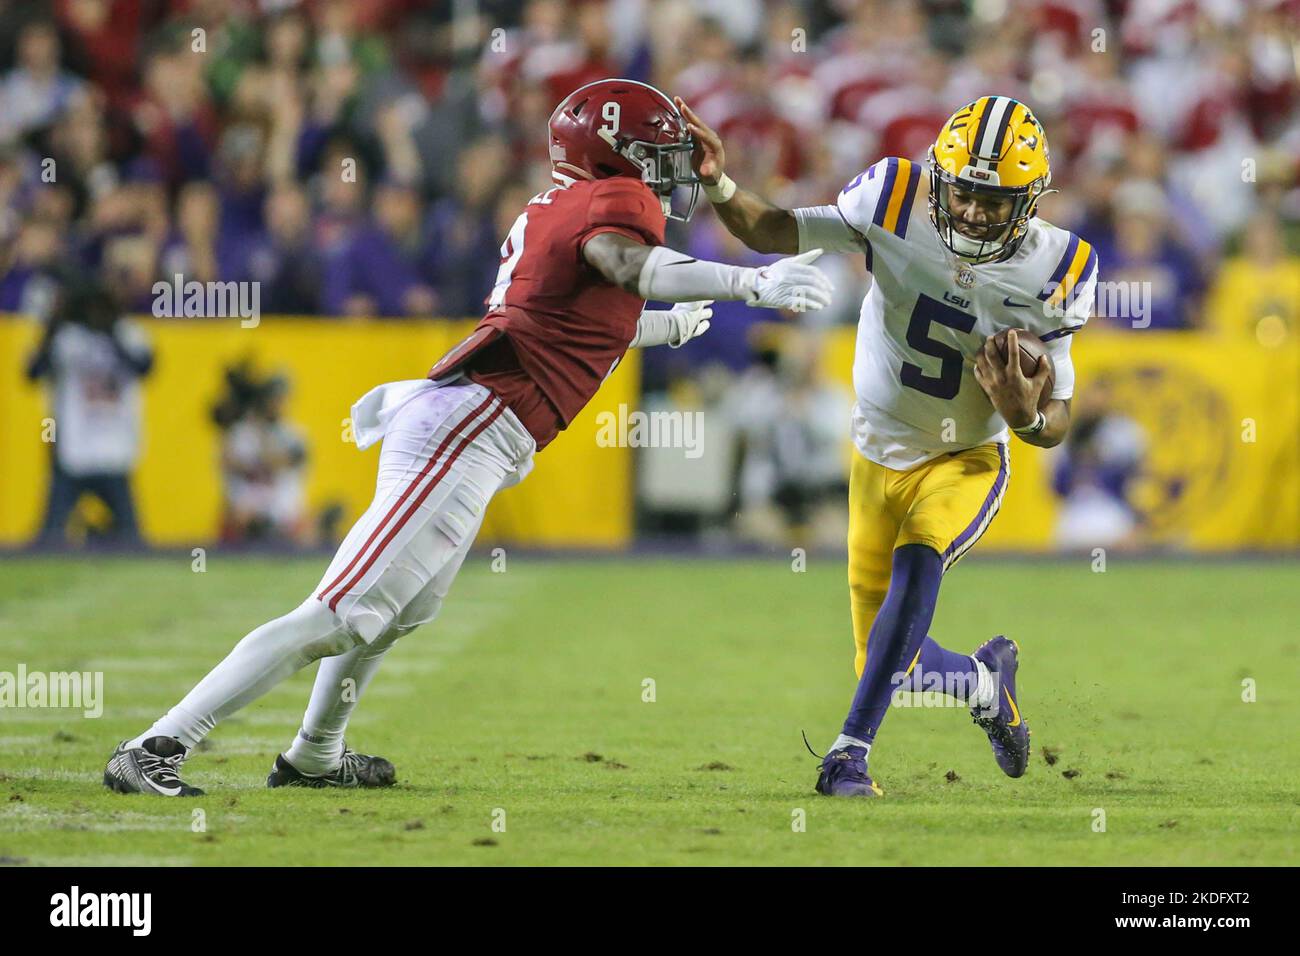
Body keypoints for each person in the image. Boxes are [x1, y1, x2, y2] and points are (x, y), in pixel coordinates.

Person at [103, 78, 834, 796]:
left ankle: (316, 754)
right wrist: (746, 283)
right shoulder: (617, 202)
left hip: (475, 422)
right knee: (338, 611)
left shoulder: (564, 204)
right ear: (617, 154)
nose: (669, 168)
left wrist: (661, 325)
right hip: (473, 423)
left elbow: (569, 316)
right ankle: (158, 744)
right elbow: (625, 266)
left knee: (398, 612)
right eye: (657, 150)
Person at [680, 94, 1098, 796]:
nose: (970, 212)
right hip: (875, 449)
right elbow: (776, 230)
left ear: (1028, 203)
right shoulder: (894, 197)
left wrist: (1026, 418)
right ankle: (985, 684)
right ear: (940, 177)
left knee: (920, 556)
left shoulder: (1057, 268)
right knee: (887, 660)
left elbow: (1058, 417)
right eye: (963, 191)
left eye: (993, 202)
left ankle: (848, 754)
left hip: (965, 455)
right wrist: (719, 184)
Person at [27, 280, 153, 547]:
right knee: (49, 538)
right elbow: (32, 373)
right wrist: (54, 326)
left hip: (114, 452)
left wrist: (111, 332)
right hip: (74, 452)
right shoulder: (68, 338)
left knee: (133, 541)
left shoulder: (129, 334)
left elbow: (145, 368)